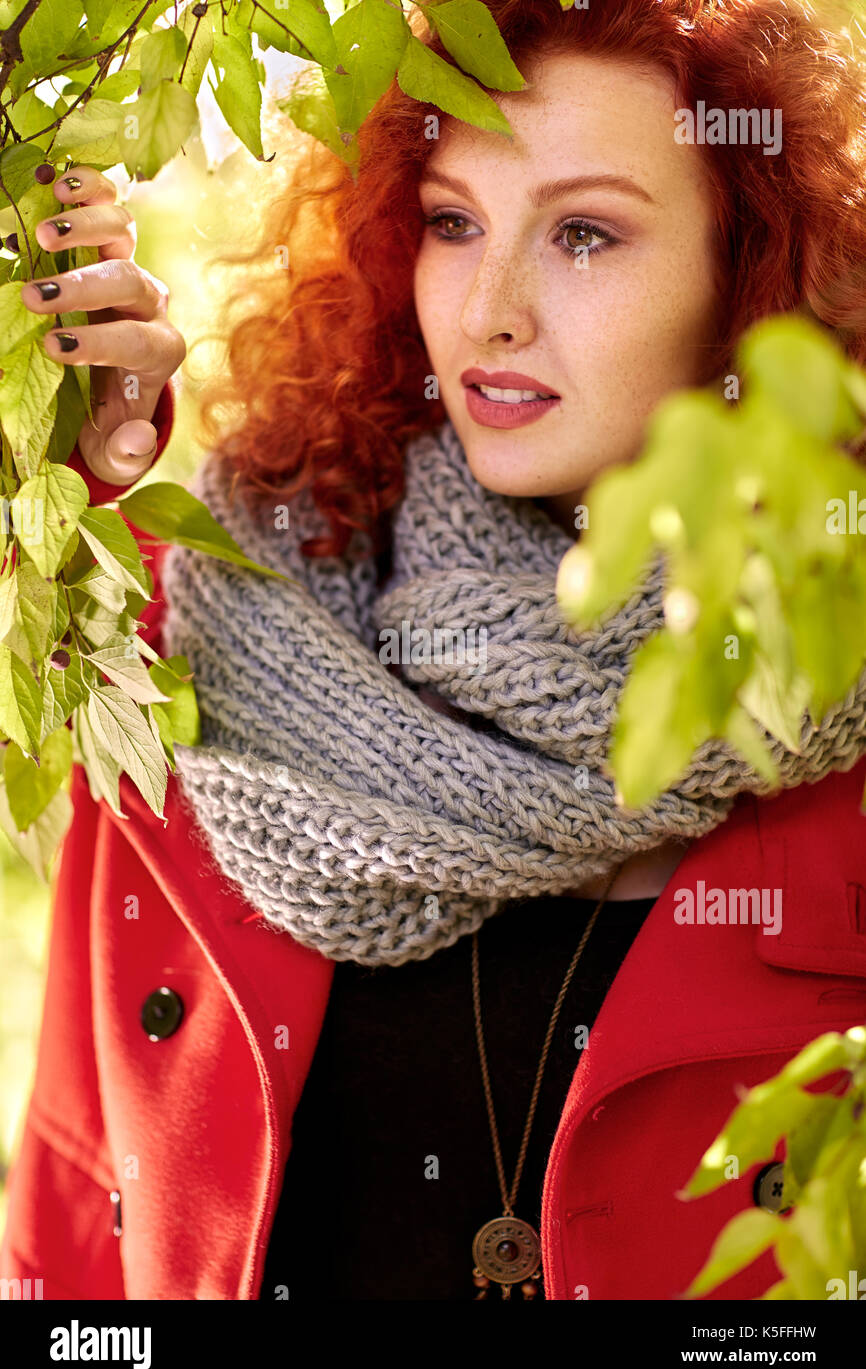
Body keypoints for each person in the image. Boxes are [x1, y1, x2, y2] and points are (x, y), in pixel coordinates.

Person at [2, 0, 866, 1302]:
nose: (491, 308)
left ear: (744, 279)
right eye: (453, 222)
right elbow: (68, 1253)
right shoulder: (195, 652)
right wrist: (41, 451)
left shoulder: (827, 692)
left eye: (583, 232)